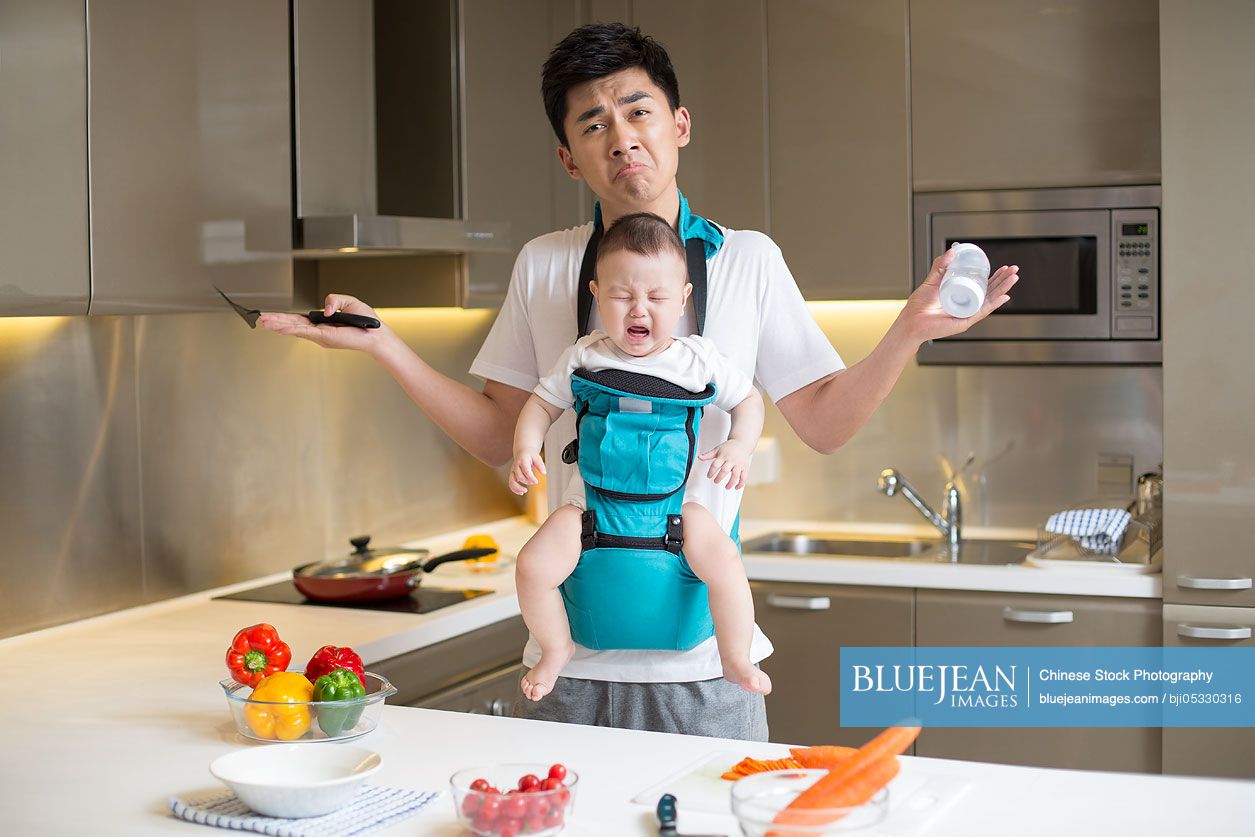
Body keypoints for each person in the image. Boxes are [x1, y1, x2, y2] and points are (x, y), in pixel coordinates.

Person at [258, 23, 1018, 740]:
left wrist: (908, 330)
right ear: (567, 157)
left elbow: (822, 421)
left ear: (678, 124)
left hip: (704, 667)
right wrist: (385, 344)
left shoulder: (746, 260)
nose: (620, 137)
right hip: (570, 659)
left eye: (636, 110)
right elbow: (499, 432)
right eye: (591, 124)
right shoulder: (546, 264)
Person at [508, 211, 770, 702]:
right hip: (589, 508)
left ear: (684, 299)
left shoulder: (698, 358)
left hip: (675, 513)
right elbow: (540, 404)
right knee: (531, 566)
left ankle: (735, 657)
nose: (638, 310)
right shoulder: (583, 355)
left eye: (656, 297)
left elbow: (749, 401)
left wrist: (740, 445)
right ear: (596, 294)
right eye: (622, 296)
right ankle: (555, 648)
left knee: (725, 559)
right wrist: (525, 447)